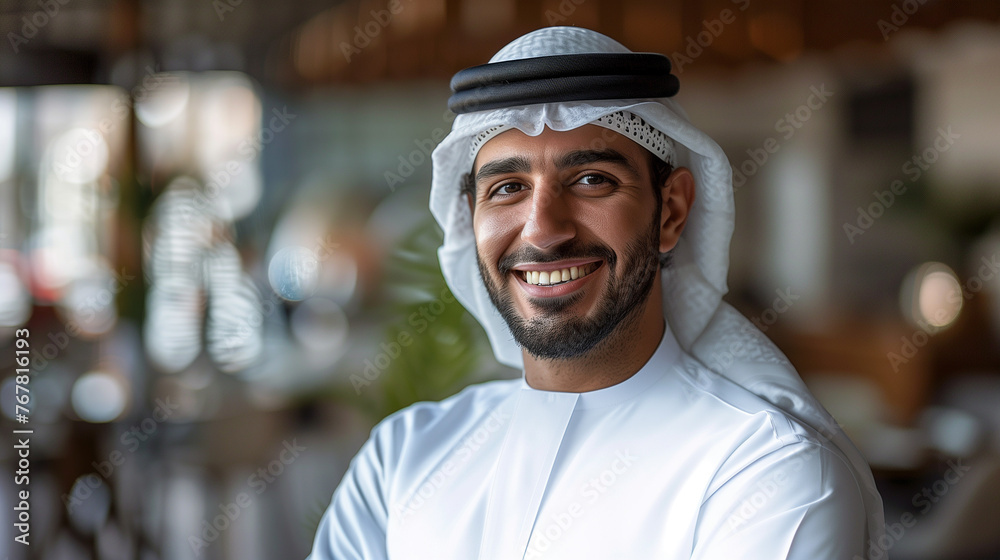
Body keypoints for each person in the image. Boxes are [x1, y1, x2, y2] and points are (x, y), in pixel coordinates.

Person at [308, 26, 885, 559]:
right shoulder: (403, 460)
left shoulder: (767, 475)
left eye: (592, 180)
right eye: (507, 188)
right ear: (469, 219)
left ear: (672, 212)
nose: (542, 229)